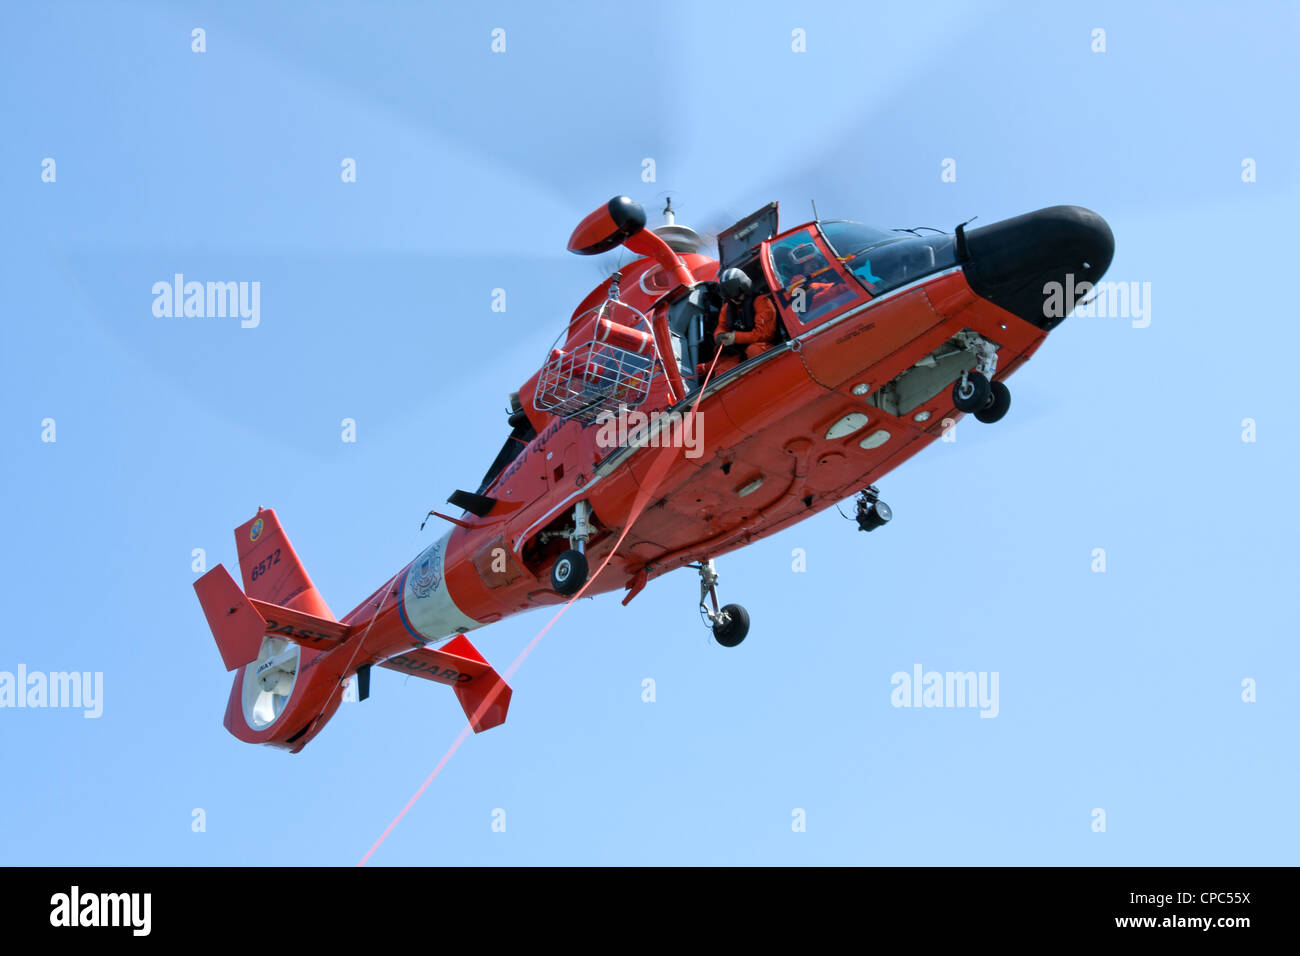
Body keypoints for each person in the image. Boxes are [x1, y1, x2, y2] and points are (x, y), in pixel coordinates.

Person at [711, 268, 779, 373]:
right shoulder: (727, 309)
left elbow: (765, 334)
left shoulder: (762, 302)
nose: (734, 299)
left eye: (736, 294)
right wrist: (719, 335)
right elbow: (721, 327)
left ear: (744, 287)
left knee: (754, 350)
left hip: (764, 347)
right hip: (741, 353)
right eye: (730, 297)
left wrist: (735, 337)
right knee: (721, 370)